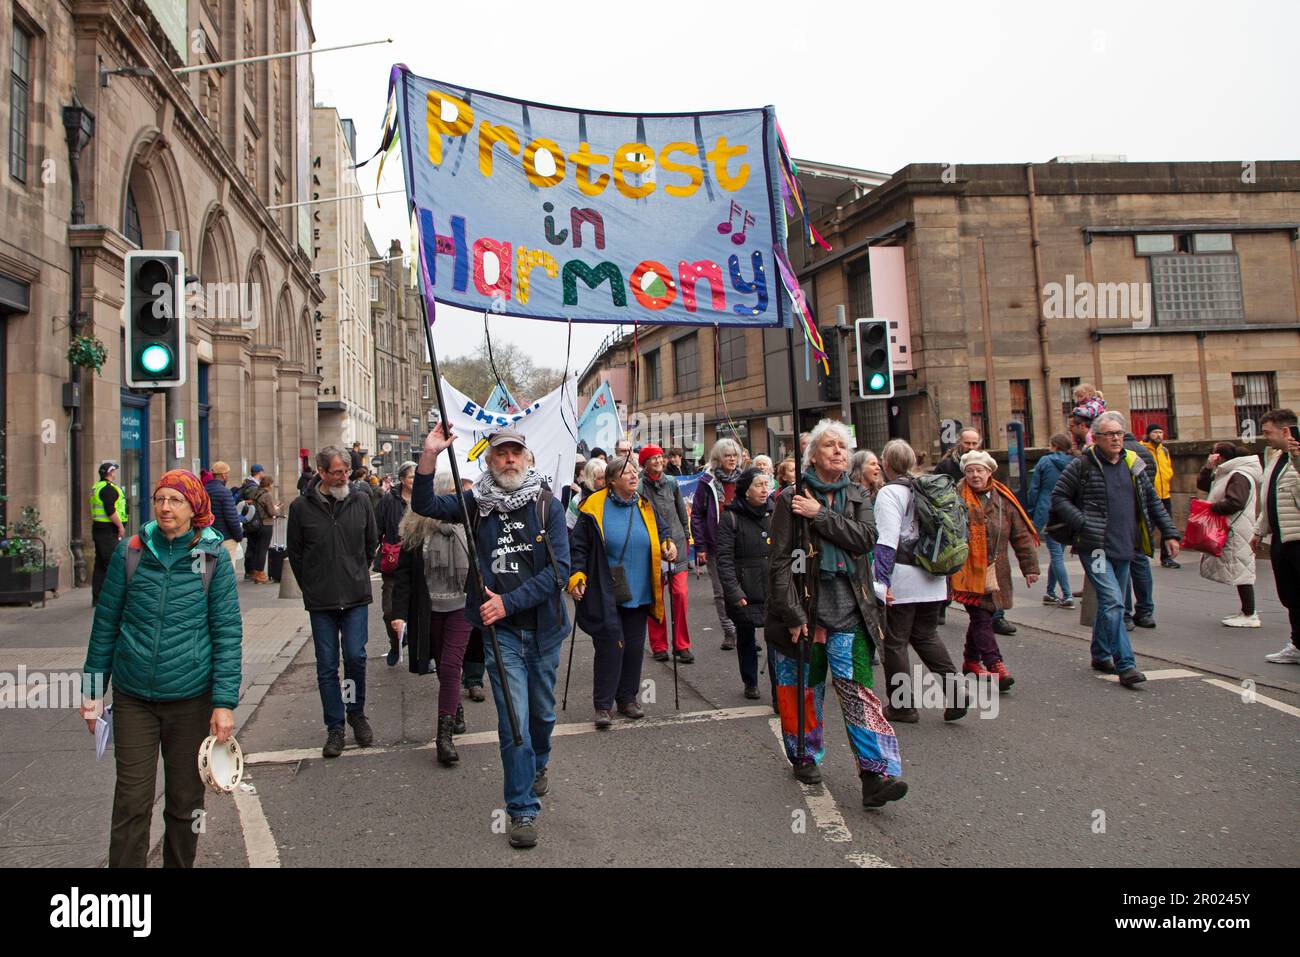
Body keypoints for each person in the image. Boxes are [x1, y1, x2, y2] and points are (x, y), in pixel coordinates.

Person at [413, 425, 571, 850]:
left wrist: (508, 601)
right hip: (502, 636)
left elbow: (558, 572)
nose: (510, 460)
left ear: (529, 458)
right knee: (513, 722)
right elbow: (424, 502)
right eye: (501, 453)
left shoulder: (546, 506)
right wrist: (429, 455)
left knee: (542, 715)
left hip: (544, 630)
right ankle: (521, 808)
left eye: (516, 452)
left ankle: (539, 763)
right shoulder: (475, 505)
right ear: (488, 461)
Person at [80, 469, 241, 867]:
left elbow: (227, 633)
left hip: (191, 698)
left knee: (186, 804)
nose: (166, 507)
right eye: (160, 499)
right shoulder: (131, 551)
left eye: (175, 500)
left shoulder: (211, 557)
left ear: (194, 508)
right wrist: (90, 691)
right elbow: (106, 623)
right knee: (131, 802)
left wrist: (223, 702)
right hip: (134, 697)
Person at [766, 419, 908, 807]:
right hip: (807, 609)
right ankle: (804, 754)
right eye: (829, 445)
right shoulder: (788, 498)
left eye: (843, 446)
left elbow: (865, 539)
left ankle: (874, 774)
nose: (838, 452)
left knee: (857, 691)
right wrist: (793, 615)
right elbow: (780, 564)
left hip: (851, 609)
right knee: (803, 690)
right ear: (813, 454)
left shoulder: (859, 495)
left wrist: (818, 515)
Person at [1050, 411, 1181, 688]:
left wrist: (1169, 532)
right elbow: (1059, 497)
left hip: (1126, 545)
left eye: (1119, 433)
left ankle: (1100, 654)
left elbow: (1152, 500)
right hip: (1095, 547)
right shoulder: (1082, 465)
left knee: (1109, 604)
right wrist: (1083, 523)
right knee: (1113, 602)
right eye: (1109, 434)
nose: (1116, 439)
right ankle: (1126, 664)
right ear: (1096, 438)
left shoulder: (1132, 463)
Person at [287, 446, 380, 758]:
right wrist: (311, 586)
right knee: (327, 665)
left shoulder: (361, 500)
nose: (345, 477)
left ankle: (356, 711)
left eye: (347, 471)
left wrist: (357, 572)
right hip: (322, 600)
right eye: (338, 472)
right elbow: (296, 554)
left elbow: (371, 544)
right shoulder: (301, 507)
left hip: (354, 596)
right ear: (322, 473)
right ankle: (335, 726)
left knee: (355, 657)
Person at [570, 455, 667, 729]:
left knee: (634, 647)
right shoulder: (593, 507)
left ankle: (627, 698)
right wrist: (577, 575)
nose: (634, 475)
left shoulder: (646, 505)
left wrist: (668, 543)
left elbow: (663, 530)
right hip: (605, 589)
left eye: (635, 471)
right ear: (611, 480)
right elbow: (578, 547)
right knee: (611, 645)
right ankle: (603, 705)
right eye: (627, 472)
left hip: (639, 589)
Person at [872, 440, 967, 723]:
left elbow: (887, 542)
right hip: (933, 577)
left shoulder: (890, 493)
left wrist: (881, 582)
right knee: (926, 636)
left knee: (895, 642)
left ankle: (902, 706)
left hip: (903, 578)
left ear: (885, 464)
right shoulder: (928, 487)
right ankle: (957, 694)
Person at [390, 470, 472, 765]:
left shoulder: (468, 523)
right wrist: (398, 614)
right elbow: (402, 576)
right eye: (450, 491)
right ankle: (455, 707)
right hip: (430, 608)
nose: (456, 497)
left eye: (458, 491)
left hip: (462, 607)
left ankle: (444, 737)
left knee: (451, 665)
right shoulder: (416, 528)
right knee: (441, 664)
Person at [951, 450, 1040, 691]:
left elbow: (1021, 535)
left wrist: (1030, 567)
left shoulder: (1003, 499)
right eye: (970, 471)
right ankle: (995, 664)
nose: (975, 475)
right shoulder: (956, 497)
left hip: (996, 570)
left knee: (983, 616)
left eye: (979, 470)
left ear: (990, 472)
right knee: (981, 616)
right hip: (967, 570)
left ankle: (971, 660)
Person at [716, 467, 773, 701]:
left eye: (766, 484)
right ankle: (750, 682)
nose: (764, 489)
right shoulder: (730, 518)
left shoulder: (775, 513)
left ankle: (780, 691)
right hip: (745, 589)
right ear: (745, 490)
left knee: (777, 641)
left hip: (771, 588)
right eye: (758, 485)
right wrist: (734, 590)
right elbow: (724, 560)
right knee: (746, 637)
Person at [1197, 442, 1263, 627]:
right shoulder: (1230, 473)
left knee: (1241, 570)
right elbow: (1205, 485)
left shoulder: (1239, 475)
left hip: (1236, 528)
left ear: (1219, 456)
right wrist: (1208, 468)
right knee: (1239, 568)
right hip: (1235, 527)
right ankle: (1246, 611)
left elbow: (1235, 502)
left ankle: (1250, 614)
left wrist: (1211, 508)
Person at [638, 445, 693, 664]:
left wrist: (687, 535)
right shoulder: (640, 487)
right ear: (645, 463)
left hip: (677, 544)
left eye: (660, 457)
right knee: (657, 598)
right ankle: (659, 645)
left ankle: (682, 645)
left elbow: (681, 510)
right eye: (653, 458)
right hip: (653, 549)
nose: (659, 461)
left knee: (679, 595)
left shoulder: (672, 483)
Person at [1256, 409, 1300, 664]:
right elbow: (1269, 497)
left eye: (1268, 433)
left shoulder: (1295, 459)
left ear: (1285, 431)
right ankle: (1297, 644)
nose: (1266, 438)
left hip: (1297, 538)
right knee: (1290, 595)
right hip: (1281, 538)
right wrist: (1259, 531)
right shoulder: (1276, 459)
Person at [692, 438, 744, 651]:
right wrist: (700, 547)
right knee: (721, 591)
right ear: (718, 458)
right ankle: (729, 632)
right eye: (727, 455)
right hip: (716, 545)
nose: (731, 459)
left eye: (734, 455)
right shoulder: (707, 483)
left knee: (742, 589)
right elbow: (697, 515)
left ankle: (744, 632)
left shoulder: (744, 479)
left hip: (741, 544)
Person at [1027, 434, 1076, 608]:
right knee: (1058, 554)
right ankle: (1050, 592)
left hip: (1047, 510)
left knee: (1056, 556)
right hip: (1068, 511)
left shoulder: (1044, 462)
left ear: (1054, 446)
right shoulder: (1074, 462)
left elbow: (1034, 489)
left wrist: (1031, 513)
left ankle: (1067, 594)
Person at [377, 461, 416, 664]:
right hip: (394, 562)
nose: (415, 480)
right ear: (402, 479)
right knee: (389, 610)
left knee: (422, 610)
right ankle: (396, 644)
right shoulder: (388, 501)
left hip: (420, 561)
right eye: (411, 477)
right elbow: (377, 529)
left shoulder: (424, 498)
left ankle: (425, 654)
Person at [1141, 425, 1179, 568]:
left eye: (1160, 432)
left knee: (1166, 526)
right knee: (1148, 526)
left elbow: (1168, 469)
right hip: (1150, 495)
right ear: (1148, 434)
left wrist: (1168, 477)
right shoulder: (1142, 450)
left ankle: (1166, 557)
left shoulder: (1164, 450)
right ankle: (1141, 554)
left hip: (1165, 494)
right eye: (1155, 432)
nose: (1158, 435)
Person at [90, 460, 127, 605]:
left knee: (100, 565)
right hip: (108, 531)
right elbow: (110, 510)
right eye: (114, 471)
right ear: (110, 473)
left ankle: (97, 597)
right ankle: (112, 597)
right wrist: (120, 527)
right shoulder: (108, 489)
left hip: (99, 529)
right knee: (113, 564)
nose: (115, 473)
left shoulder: (97, 487)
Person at [202, 462, 245, 568]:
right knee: (227, 571)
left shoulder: (203, 491)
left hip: (206, 537)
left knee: (209, 570)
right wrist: (239, 536)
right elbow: (232, 519)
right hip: (226, 538)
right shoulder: (225, 492)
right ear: (224, 475)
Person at [242, 474, 279, 584]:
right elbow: (271, 512)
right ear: (268, 484)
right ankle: (260, 573)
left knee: (255, 549)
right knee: (262, 550)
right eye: (272, 484)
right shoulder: (266, 495)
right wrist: (276, 509)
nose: (272, 486)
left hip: (254, 525)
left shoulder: (254, 492)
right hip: (265, 524)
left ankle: (253, 572)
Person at [568, 457, 606, 531]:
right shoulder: (578, 500)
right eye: (600, 478)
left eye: (606, 477)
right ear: (590, 479)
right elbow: (570, 528)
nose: (605, 481)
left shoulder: (612, 496)